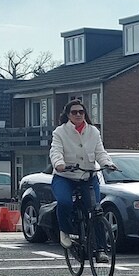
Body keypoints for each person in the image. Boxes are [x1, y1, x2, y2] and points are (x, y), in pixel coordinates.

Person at [49, 99, 116, 263]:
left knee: (96, 210)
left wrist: (107, 163)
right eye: (74, 112)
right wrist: (59, 164)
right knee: (64, 202)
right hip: (65, 177)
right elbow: (55, 151)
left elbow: (100, 152)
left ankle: (100, 250)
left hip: (87, 177)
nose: (78, 115)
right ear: (68, 115)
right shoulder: (60, 132)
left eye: (81, 112)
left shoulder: (93, 131)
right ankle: (65, 231)